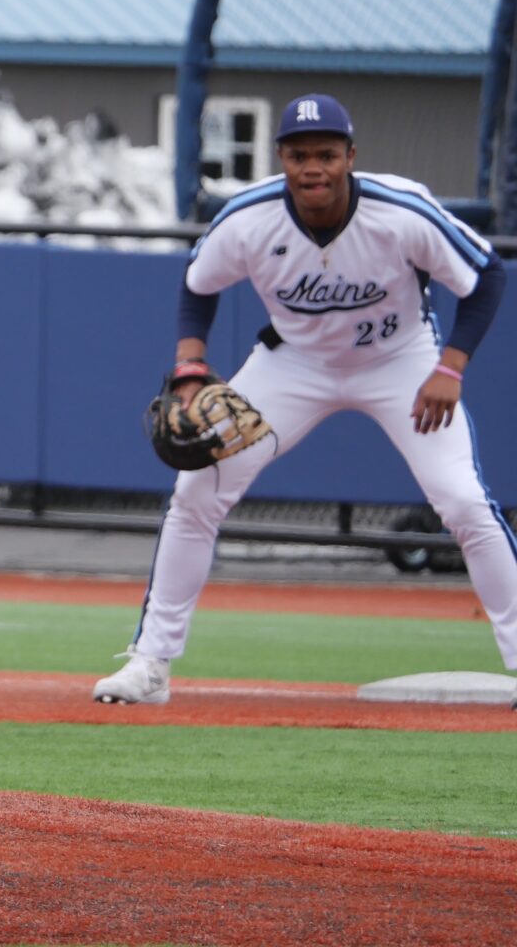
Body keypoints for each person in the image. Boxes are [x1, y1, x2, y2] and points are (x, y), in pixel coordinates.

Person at [95, 94, 513, 706]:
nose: (311, 167)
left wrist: (451, 364)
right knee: (195, 495)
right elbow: (197, 284)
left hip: (401, 361)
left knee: (463, 502)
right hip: (294, 364)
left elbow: (486, 275)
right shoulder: (249, 217)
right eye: (297, 154)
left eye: (325, 153)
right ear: (281, 158)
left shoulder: (401, 210)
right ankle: (151, 664)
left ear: (351, 156)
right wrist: (189, 364)